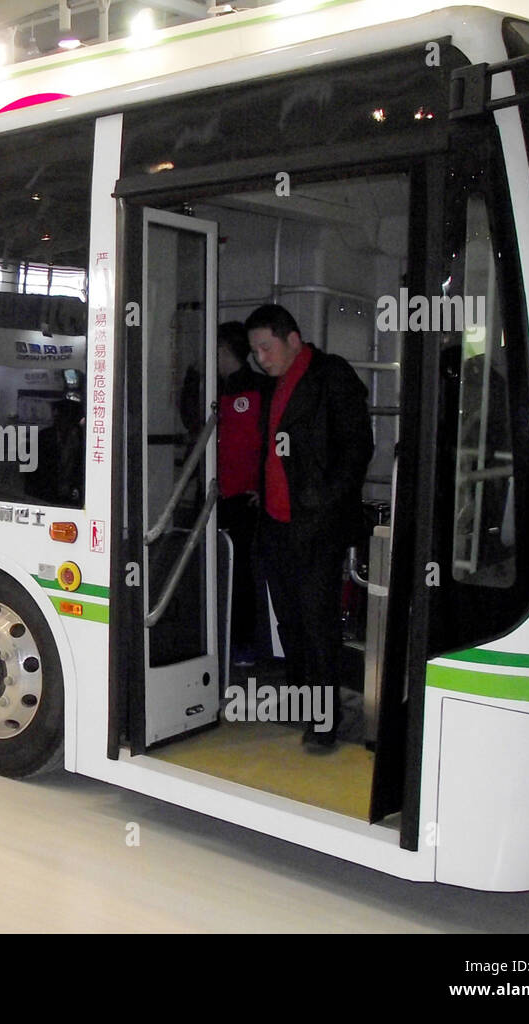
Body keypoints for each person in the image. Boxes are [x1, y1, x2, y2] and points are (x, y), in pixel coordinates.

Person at [246, 304, 372, 750]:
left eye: (266, 346)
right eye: (255, 350)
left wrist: (321, 502)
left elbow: (357, 449)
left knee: (317, 623)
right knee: (292, 620)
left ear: (292, 339)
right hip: (279, 522)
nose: (261, 356)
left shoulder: (330, 377)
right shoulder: (276, 383)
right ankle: (305, 705)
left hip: (315, 523)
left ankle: (325, 720)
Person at [213, 323, 273, 665]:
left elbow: (266, 444)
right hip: (222, 494)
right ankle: (228, 640)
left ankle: (246, 643)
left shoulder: (259, 390)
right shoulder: (218, 388)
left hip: (247, 498)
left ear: (225, 350)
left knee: (244, 575)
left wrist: (263, 485)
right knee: (224, 571)